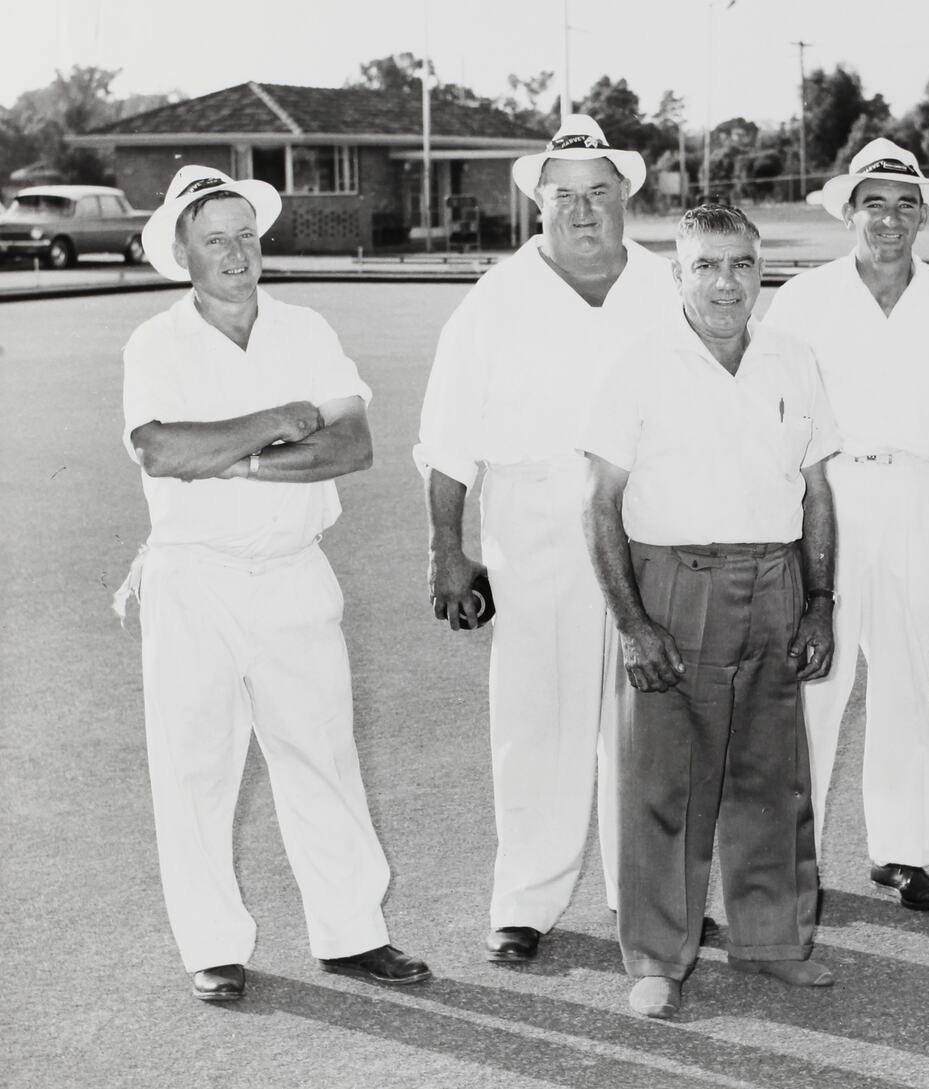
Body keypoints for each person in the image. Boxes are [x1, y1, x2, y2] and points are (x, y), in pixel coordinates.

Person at [115, 165, 430, 1001]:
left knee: (321, 756)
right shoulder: (156, 341)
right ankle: (213, 946)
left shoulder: (306, 329)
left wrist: (235, 458)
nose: (236, 252)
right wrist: (279, 421)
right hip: (194, 582)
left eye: (246, 234)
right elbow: (160, 450)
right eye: (214, 239)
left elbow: (350, 446)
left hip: (294, 574)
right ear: (182, 251)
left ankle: (353, 933)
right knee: (196, 770)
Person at [414, 115, 680, 964]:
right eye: (564, 195)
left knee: (652, 724)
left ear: (626, 200)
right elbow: (447, 435)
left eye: (599, 192)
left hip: (653, 522)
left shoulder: (667, 285)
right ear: (537, 205)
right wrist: (446, 549)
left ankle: (649, 898)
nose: (582, 209)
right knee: (538, 720)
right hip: (536, 524)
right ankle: (524, 903)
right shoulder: (494, 299)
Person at [580, 204, 840, 1020]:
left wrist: (821, 602)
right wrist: (632, 622)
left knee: (773, 777)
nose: (727, 282)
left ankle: (773, 940)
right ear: (678, 274)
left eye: (742, 264)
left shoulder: (793, 358)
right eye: (707, 265)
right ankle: (659, 957)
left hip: (775, 580)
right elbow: (599, 503)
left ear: (761, 270)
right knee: (666, 780)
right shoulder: (640, 364)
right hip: (674, 582)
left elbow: (819, 492)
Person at [762, 139, 929, 912]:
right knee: (815, 681)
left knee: (906, 675)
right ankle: (792, 862)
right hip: (823, 498)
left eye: (906, 204)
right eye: (875, 202)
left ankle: (903, 853)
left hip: (912, 493)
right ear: (848, 211)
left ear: (923, 214)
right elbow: (775, 405)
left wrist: (908, 475)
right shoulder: (803, 299)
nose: (890, 218)